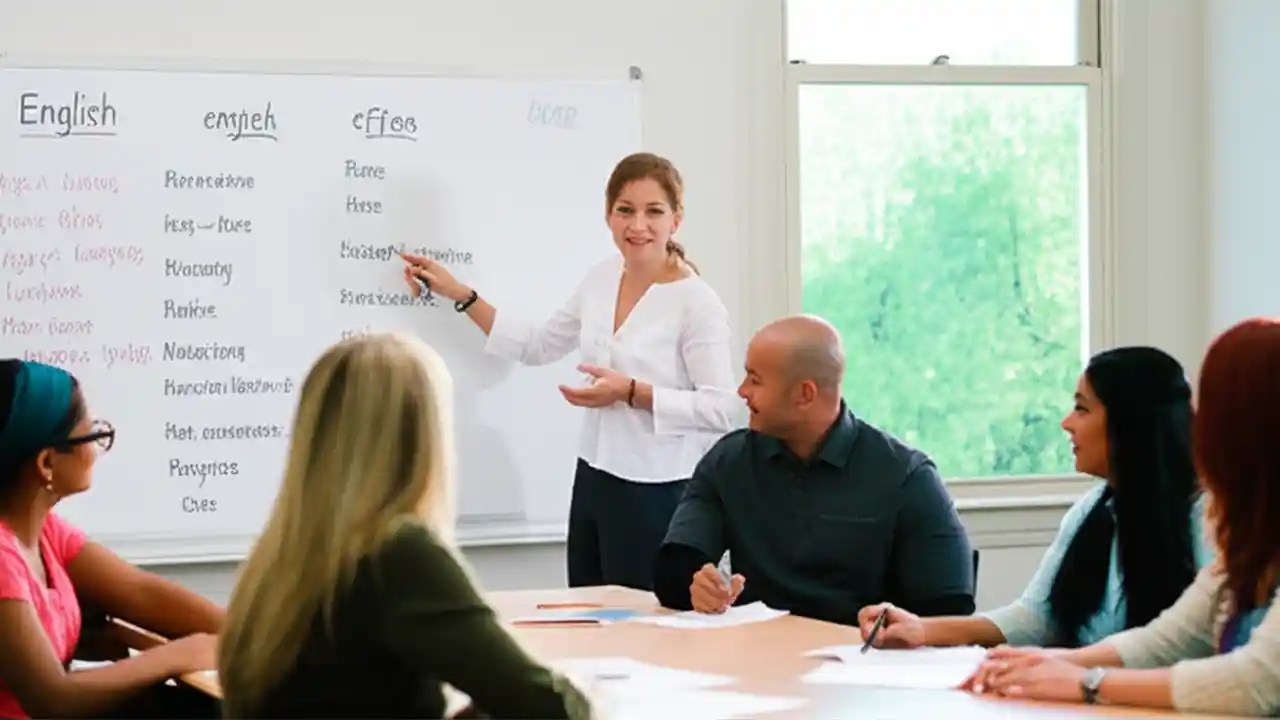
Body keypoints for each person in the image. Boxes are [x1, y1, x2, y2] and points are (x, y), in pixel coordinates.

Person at [398, 152, 740, 590]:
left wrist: (631, 392)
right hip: (594, 477)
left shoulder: (697, 302)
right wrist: (461, 294)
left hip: (658, 489)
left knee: (645, 618)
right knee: (587, 610)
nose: (637, 225)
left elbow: (722, 409)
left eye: (654, 211)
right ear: (608, 215)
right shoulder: (601, 278)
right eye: (625, 210)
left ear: (676, 219)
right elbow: (539, 345)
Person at [218, 333, 592, 719]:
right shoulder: (396, 552)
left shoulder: (280, 555)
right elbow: (549, 708)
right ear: (422, 433)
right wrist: (582, 689)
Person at [966, 318, 1280, 716]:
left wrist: (1087, 683)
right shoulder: (1249, 534)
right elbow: (1170, 639)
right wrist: (1048, 664)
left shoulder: (1207, 514)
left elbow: (1256, 680)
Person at [857, 346, 1214, 651]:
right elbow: (1038, 619)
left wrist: (1068, 671)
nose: (1066, 423)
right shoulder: (1091, 510)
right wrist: (922, 629)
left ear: (1130, 424)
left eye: (1082, 409)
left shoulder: (1208, 522)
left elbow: (1183, 651)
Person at [652, 315, 974, 625]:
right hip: (754, 652)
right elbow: (674, 570)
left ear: (805, 394)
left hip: (860, 656)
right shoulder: (727, 461)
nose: (742, 391)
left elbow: (947, 611)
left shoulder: (908, 477)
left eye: (755, 380)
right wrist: (698, 586)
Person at [0, 359, 224, 719]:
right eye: (91, 436)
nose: (97, 450)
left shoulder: (44, 531)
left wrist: (257, 638)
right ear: (47, 464)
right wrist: (177, 656)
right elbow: (53, 700)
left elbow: (140, 593)